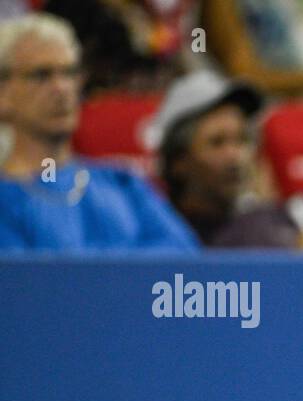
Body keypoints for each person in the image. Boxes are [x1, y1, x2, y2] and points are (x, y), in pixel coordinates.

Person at [0, 13, 197, 251]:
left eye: (70, 73)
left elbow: (185, 259)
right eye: (42, 75)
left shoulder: (123, 182)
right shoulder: (6, 198)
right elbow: (24, 282)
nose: (62, 88)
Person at [149, 69, 303, 249]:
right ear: (178, 161)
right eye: (216, 143)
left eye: (242, 140)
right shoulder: (150, 238)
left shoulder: (276, 230)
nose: (236, 156)